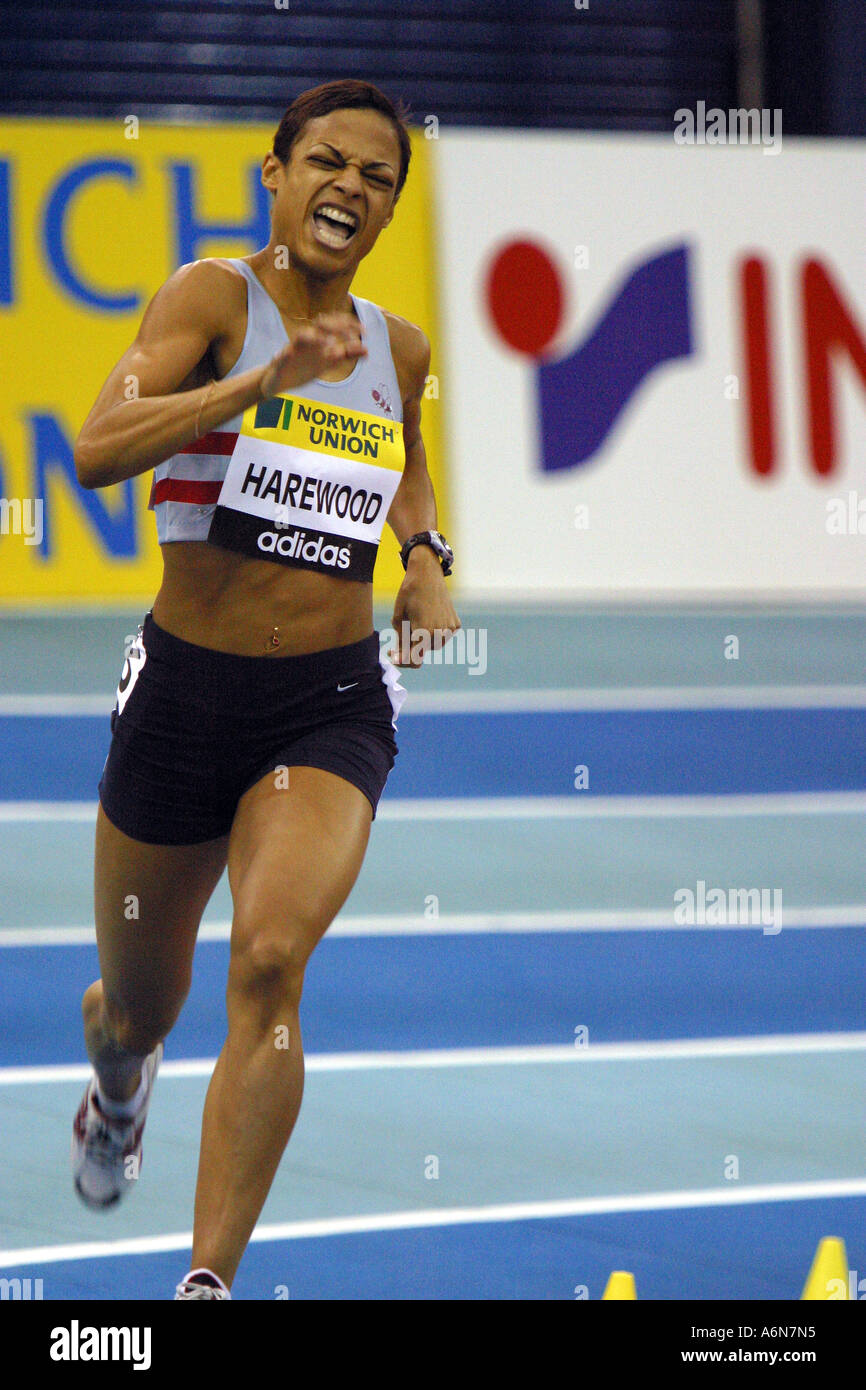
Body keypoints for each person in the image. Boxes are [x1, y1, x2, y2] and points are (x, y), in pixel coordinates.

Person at [69, 78, 459, 1300]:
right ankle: (120, 1081)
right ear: (275, 175)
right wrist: (255, 381)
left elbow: (402, 463)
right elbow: (94, 450)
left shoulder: (398, 345)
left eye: (377, 174)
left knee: (271, 962)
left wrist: (427, 560)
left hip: (327, 705)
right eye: (326, 161)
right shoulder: (209, 299)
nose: (350, 184)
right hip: (184, 699)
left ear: (391, 204)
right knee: (140, 1001)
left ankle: (205, 1282)